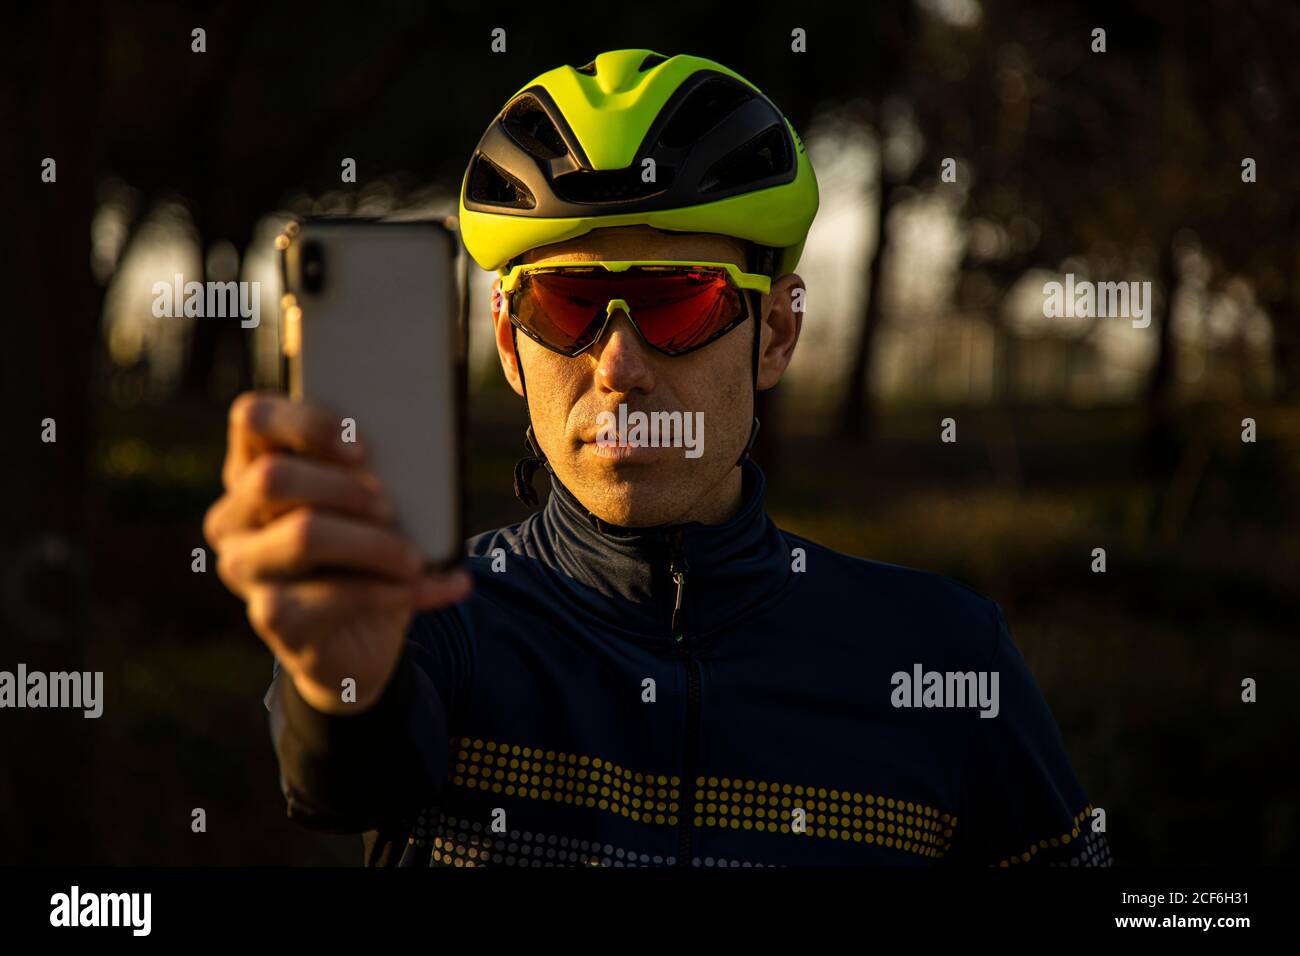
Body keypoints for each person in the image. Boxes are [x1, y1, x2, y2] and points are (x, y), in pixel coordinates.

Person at [203, 49, 1111, 867]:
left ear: (778, 333)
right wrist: (339, 677)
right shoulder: (437, 623)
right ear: (511, 348)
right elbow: (344, 782)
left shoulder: (947, 658)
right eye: (566, 307)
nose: (618, 367)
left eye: (678, 304)